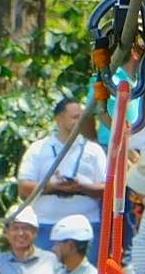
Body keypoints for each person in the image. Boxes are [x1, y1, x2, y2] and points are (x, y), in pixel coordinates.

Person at [17, 98, 109, 253]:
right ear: (59, 119)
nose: (80, 121)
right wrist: (51, 186)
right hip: (46, 225)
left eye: (82, 117)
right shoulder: (38, 148)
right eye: (74, 117)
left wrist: (80, 187)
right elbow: (23, 188)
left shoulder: (94, 150)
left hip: (87, 226)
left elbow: (108, 189)